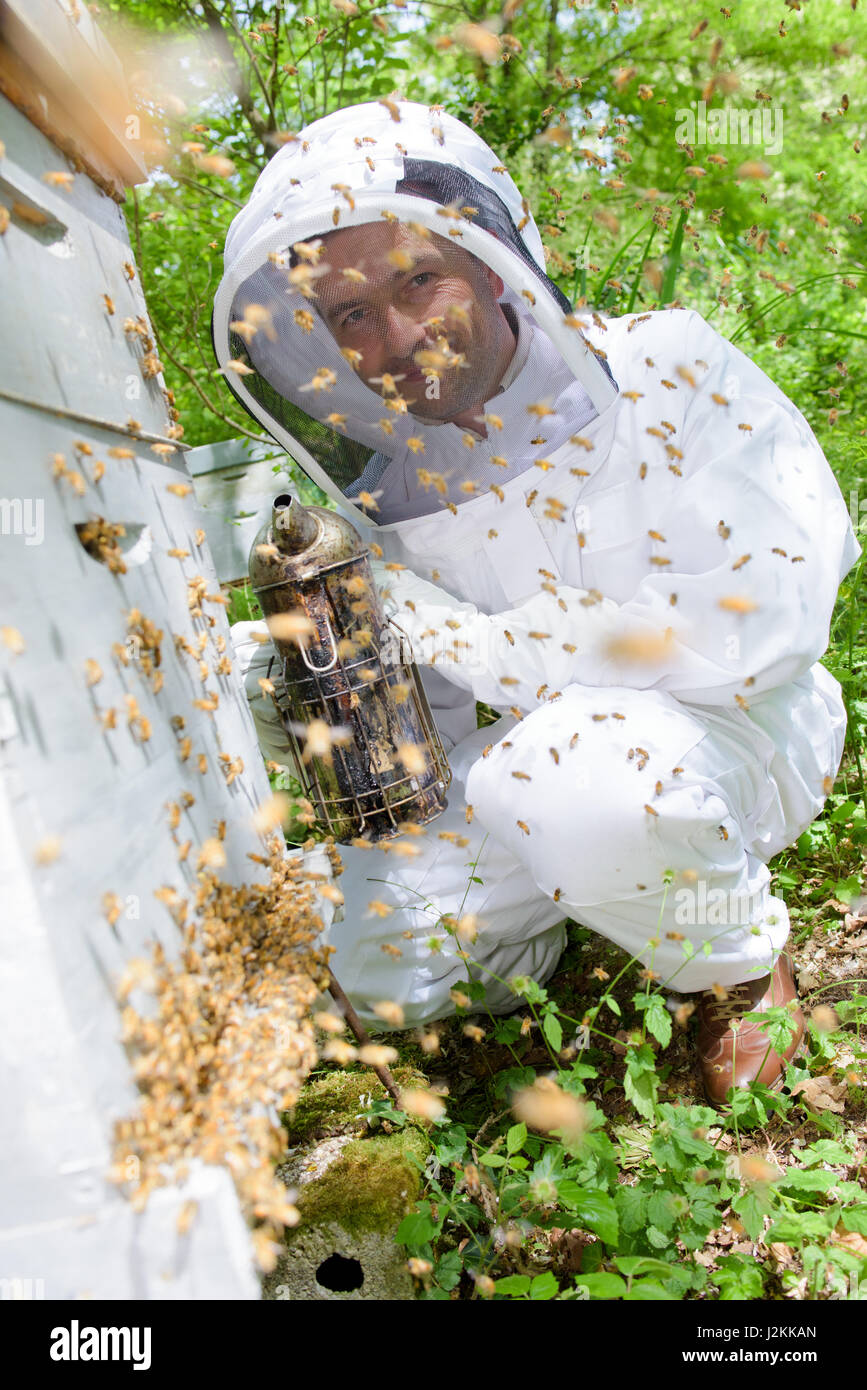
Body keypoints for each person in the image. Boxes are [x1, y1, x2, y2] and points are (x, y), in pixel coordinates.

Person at [214, 99, 860, 1105]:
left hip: (736, 728)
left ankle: (732, 959)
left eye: (416, 277)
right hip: (526, 769)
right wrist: (312, 686)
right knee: (370, 944)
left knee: (575, 784)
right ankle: (552, 941)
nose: (397, 337)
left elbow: (767, 608)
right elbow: (432, 723)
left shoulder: (664, 366)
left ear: (491, 256)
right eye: (350, 315)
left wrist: (488, 644)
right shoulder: (392, 488)